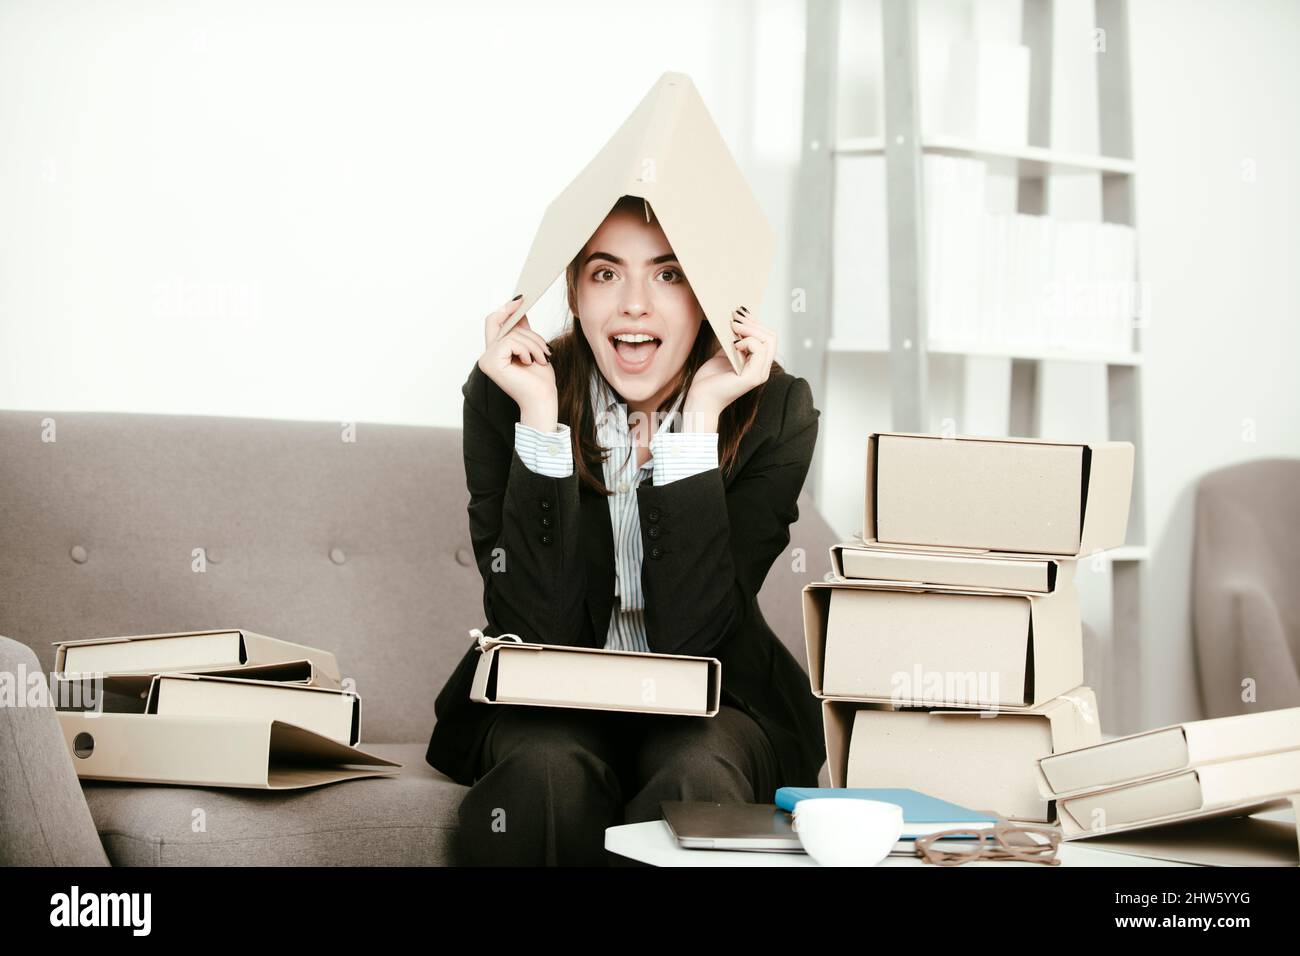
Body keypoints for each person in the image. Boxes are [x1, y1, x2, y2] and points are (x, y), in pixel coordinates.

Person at [425, 194, 825, 866]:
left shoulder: (778, 409)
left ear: (708, 298)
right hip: (548, 704)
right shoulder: (507, 392)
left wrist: (696, 424)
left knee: (696, 772)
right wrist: (541, 423)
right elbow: (534, 629)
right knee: (545, 769)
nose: (635, 304)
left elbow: (694, 636)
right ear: (575, 295)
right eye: (606, 273)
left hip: (718, 699)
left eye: (669, 275)